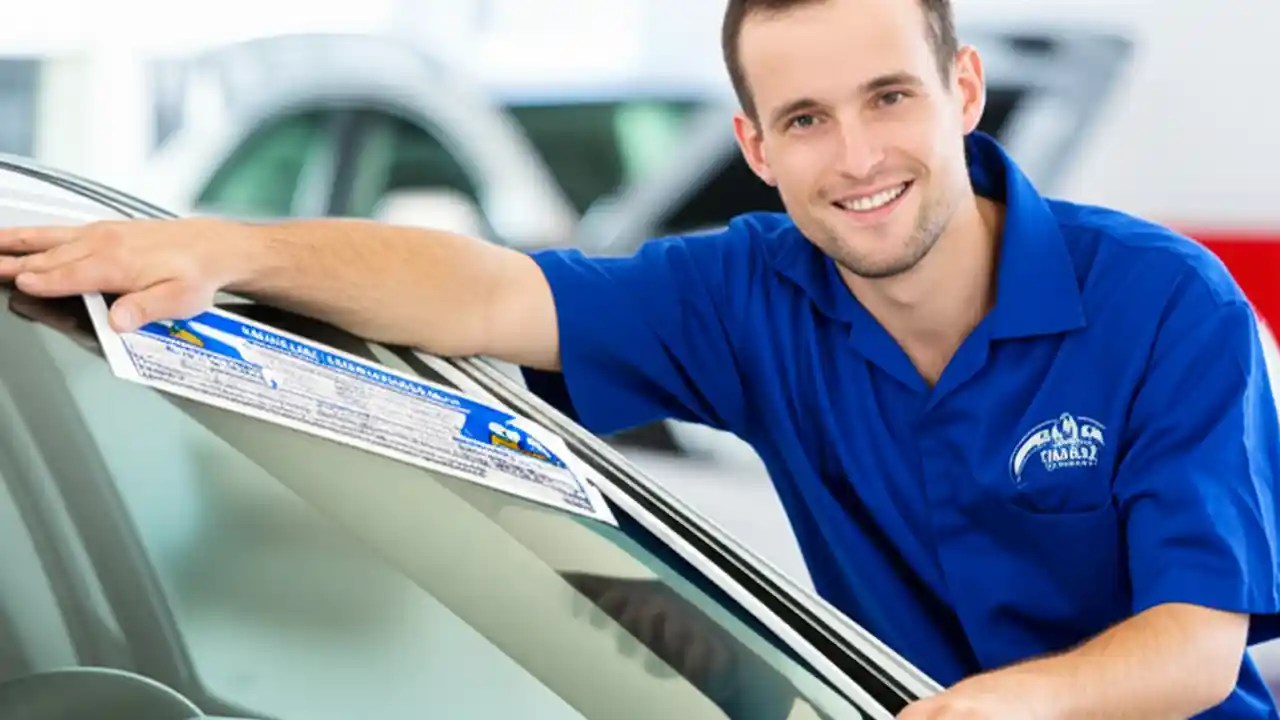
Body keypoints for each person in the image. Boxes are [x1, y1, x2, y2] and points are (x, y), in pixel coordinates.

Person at [1, 0, 1278, 716]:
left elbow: (1191, 648)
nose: (857, 157)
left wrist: (1002, 710)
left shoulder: (1164, 303)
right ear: (755, 145)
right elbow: (490, 292)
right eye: (804, 120)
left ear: (962, 89)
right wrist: (229, 252)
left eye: (888, 97)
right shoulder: (748, 289)